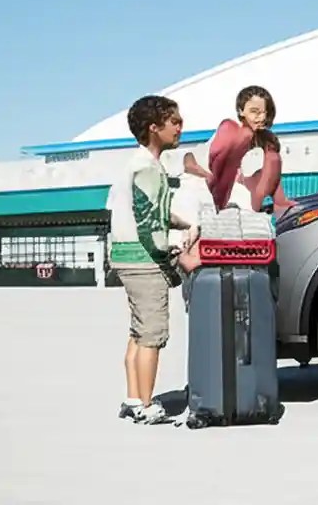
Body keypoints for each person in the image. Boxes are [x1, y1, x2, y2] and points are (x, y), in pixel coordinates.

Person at [108, 95, 198, 424]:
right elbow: (149, 225)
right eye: (174, 122)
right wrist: (174, 256)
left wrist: (185, 223)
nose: (180, 127)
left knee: (138, 331)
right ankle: (146, 406)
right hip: (143, 259)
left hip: (126, 256)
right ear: (153, 128)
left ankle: (133, 398)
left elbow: (154, 213)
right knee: (153, 334)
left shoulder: (138, 164)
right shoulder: (147, 168)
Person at [183, 85, 297, 215]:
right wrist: (209, 179)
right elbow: (191, 160)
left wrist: (280, 200)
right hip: (208, 185)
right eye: (254, 112)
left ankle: (279, 203)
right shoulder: (231, 130)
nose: (260, 118)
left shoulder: (263, 138)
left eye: (264, 112)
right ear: (241, 111)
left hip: (237, 189)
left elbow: (273, 165)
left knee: (272, 157)